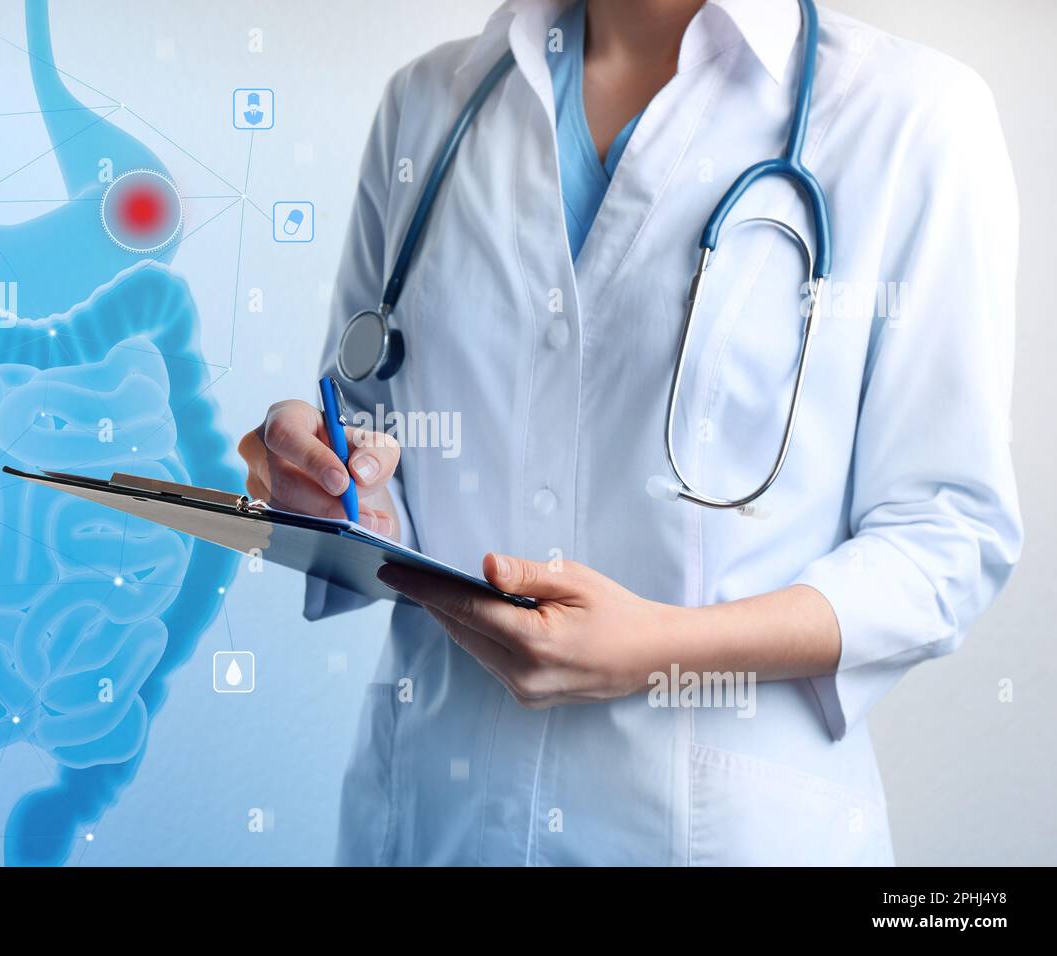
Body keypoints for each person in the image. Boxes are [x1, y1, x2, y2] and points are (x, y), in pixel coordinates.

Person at [237, 0, 1021, 865]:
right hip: (433, 819)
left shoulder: (911, 117)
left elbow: (946, 534)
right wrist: (329, 483)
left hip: (715, 833)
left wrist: (663, 652)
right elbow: (377, 450)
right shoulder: (429, 102)